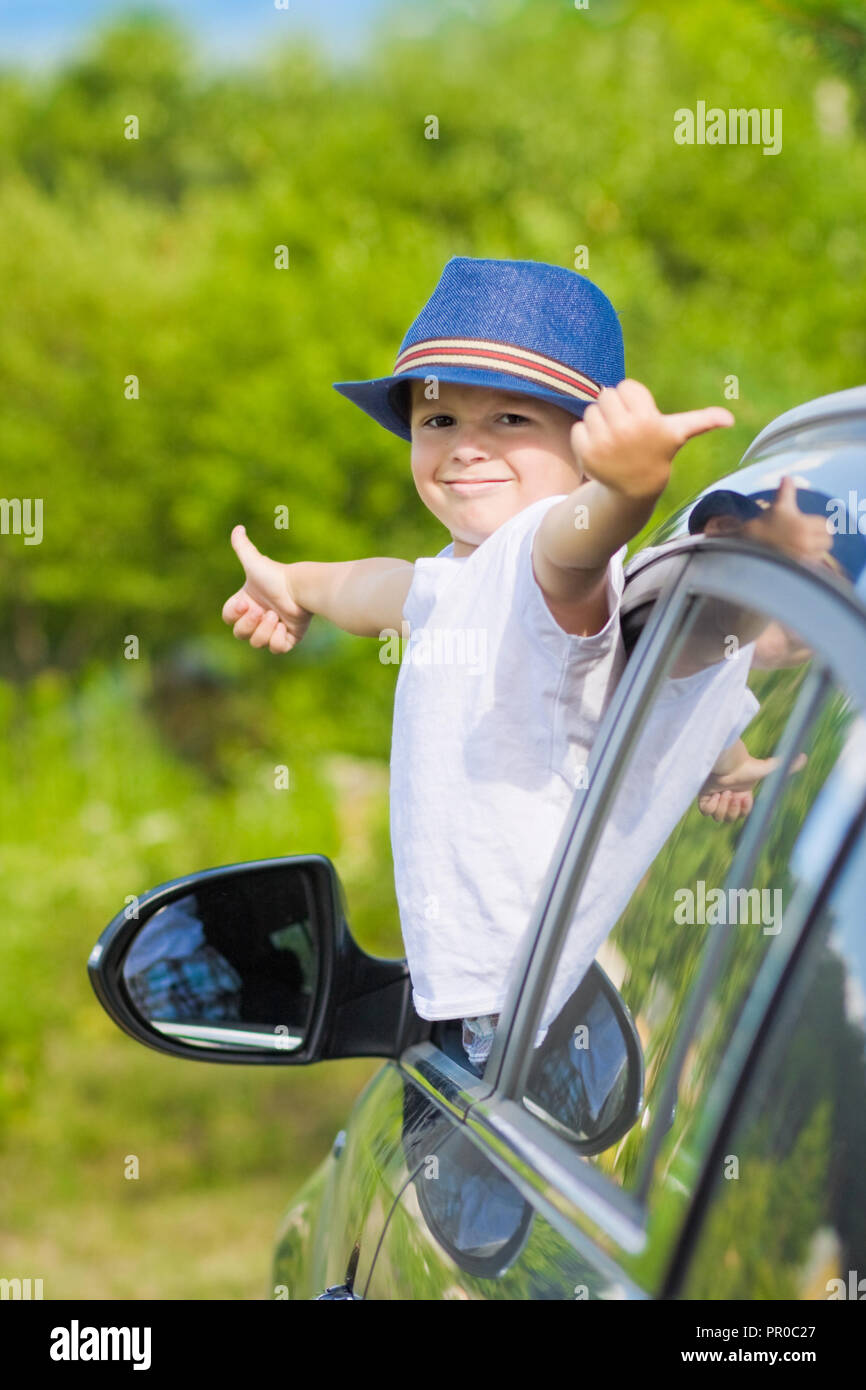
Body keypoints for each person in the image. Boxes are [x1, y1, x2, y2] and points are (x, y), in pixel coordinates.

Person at [219, 256, 750, 1069]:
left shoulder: (541, 561)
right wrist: (293, 584)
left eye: (510, 420)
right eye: (437, 422)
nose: (465, 448)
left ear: (585, 447)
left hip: (537, 1017)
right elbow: (387, 589)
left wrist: (628, 492)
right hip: (489, 1009)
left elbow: (579, 544)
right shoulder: (464, 578)